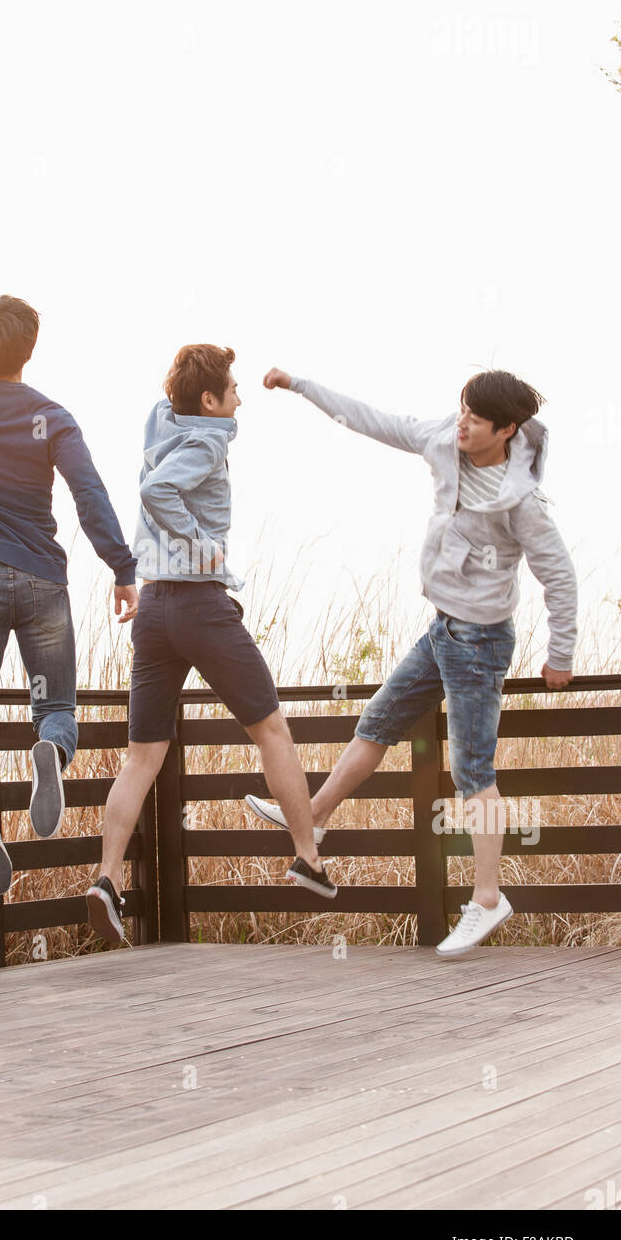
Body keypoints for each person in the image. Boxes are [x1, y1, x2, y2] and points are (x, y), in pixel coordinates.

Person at [245, 366, 577, 956]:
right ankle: (314, 816)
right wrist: (300, 384)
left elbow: (559, 576)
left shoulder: (523, 502)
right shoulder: (442, 441)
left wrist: (561, 653)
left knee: (473, 771)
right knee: (377, 721)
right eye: (461, 409)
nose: (462, 423)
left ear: (507, 429)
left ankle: (486, 900)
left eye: (475, 417)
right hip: (442, 632)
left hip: (480, 643)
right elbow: (374, 420)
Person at [85, 344, 336, 944]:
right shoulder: (206, 443)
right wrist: (202, 546)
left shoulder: (161, 422)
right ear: (208, 401)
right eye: (231, 390)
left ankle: (106, 879)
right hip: (200, 605)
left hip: (152, 611)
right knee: (271, 729)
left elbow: (166, 424)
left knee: (142, 757)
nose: (240, 399)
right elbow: (157, 494)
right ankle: (309, 856)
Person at [0, 218, 138, 897]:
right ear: (30, 350)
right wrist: (123, 568)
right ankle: (49, 749)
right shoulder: (52, 415)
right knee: (56, 705)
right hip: (43, 582)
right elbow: (88, 492)